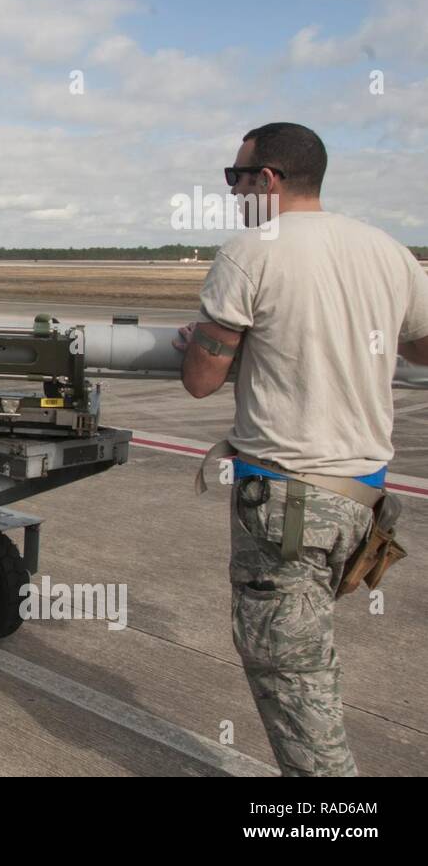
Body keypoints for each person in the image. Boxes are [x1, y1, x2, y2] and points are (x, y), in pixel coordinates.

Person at [175, 122, 428, 776]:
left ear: (269, 179)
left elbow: (202, 380)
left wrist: (208, 342)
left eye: (236, 178)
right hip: (361, 501)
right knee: (309, 662)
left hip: (289, 506)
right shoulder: (387, 252)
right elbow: (422, 347)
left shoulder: (252, 253)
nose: (231, 192)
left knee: (295, 691)